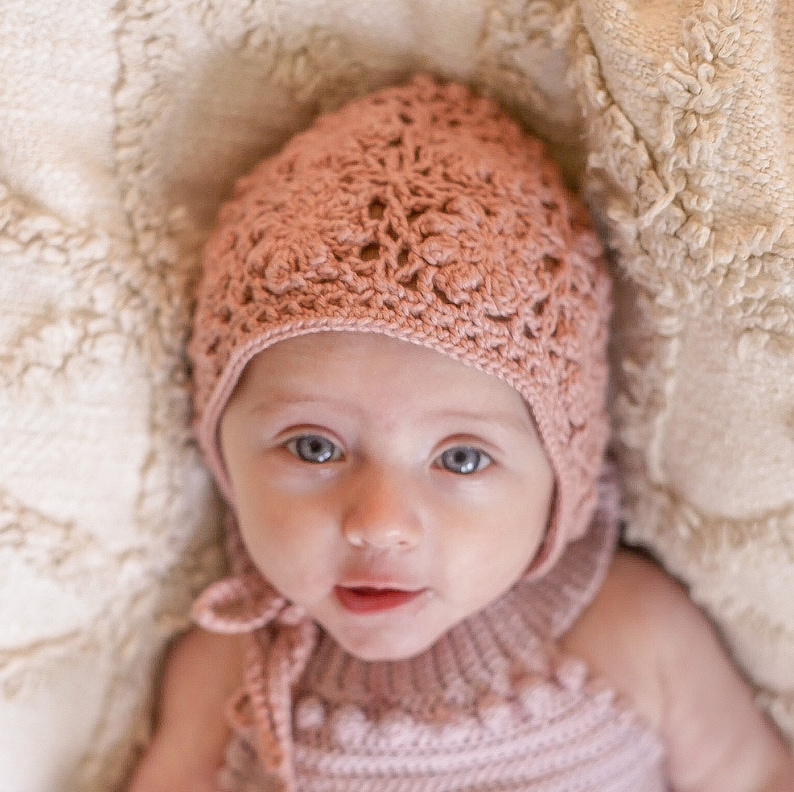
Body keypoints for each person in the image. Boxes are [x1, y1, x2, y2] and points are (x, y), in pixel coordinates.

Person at [129, 76, 794, 791]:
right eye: (314, 447)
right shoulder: (226, 667)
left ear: (562, 478)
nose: (380, 524)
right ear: (221, 450)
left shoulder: (634, 634)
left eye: (462, 457)